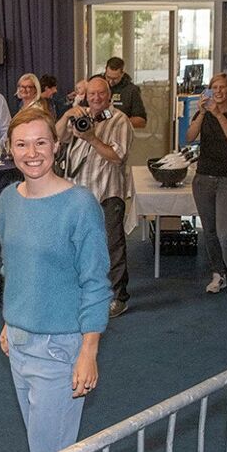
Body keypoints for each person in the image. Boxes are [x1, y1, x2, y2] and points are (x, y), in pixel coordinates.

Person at [0, 106, 110, 452]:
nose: (32, 153)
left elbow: (96, 282)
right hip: (18, 345)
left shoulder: (80, 205)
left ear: (56, 146)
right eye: (22, 144)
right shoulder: (8, 199)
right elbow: (13, 267)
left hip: (60, 350)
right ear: (10, 150)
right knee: (42, 451)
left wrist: (89, 350)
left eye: (41, 142)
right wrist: (9, 319)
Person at [57, 76, 133, 318]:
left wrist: (91, 137)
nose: (97, 98)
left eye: (101, 93)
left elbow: (117, 156)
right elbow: (58, 137)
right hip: (79, 193)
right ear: (85, 96)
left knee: (112, 248)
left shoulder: (119, 120)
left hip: (107, 192)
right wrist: (67, 115)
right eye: (92, 94)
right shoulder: (81, 116)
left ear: (109, 95)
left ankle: (118, 297)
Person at [186, 73, 227, 304]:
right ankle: (217, 274)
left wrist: (218, 114)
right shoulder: (204, 114)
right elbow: (189, 137)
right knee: (210, 232)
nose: (218, 91)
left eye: (222, 87)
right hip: (204, 179)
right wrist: (203, 112)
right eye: (214, 87)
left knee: (226, 235)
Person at [101, 57, 146, 129]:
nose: (111, 82)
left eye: (115, 79)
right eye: (108, 77)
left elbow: (141, 121)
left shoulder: (131, 90)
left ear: (122, 74)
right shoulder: (97, 84)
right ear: (105, 71)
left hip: (120, 131)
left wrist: (117, 122)